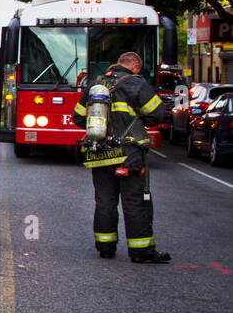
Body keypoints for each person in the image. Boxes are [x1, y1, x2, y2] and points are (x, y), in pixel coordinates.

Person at [72, 51, 169, 263]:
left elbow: (78, 117)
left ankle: (105, 247)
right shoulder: (136, 83)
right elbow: (157, 115)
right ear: (135, 66)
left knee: (105, 201)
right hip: (129, 154)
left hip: (100, 154)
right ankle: (140, 251)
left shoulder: (96, 85)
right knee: (135, 202)